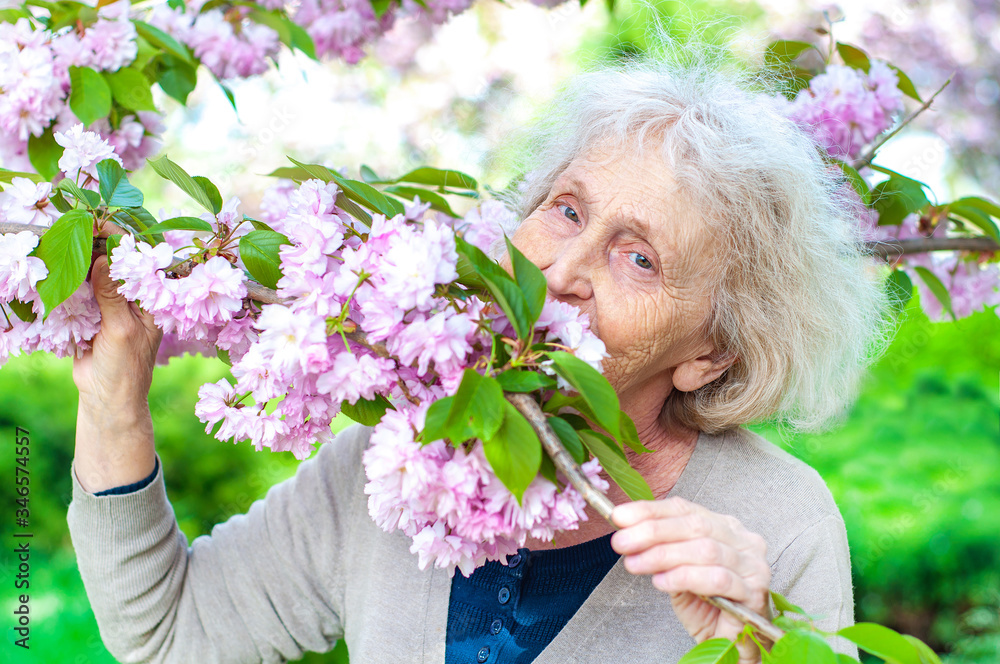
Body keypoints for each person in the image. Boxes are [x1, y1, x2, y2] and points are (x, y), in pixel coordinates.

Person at [67, 58, 886, 664]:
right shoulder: (394, 454)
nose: (563, 273)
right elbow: (172, 632)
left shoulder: (778, 525)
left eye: (639, 259)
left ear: (709, 355)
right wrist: (114, 403)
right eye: (567, 211)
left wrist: (756, 645)